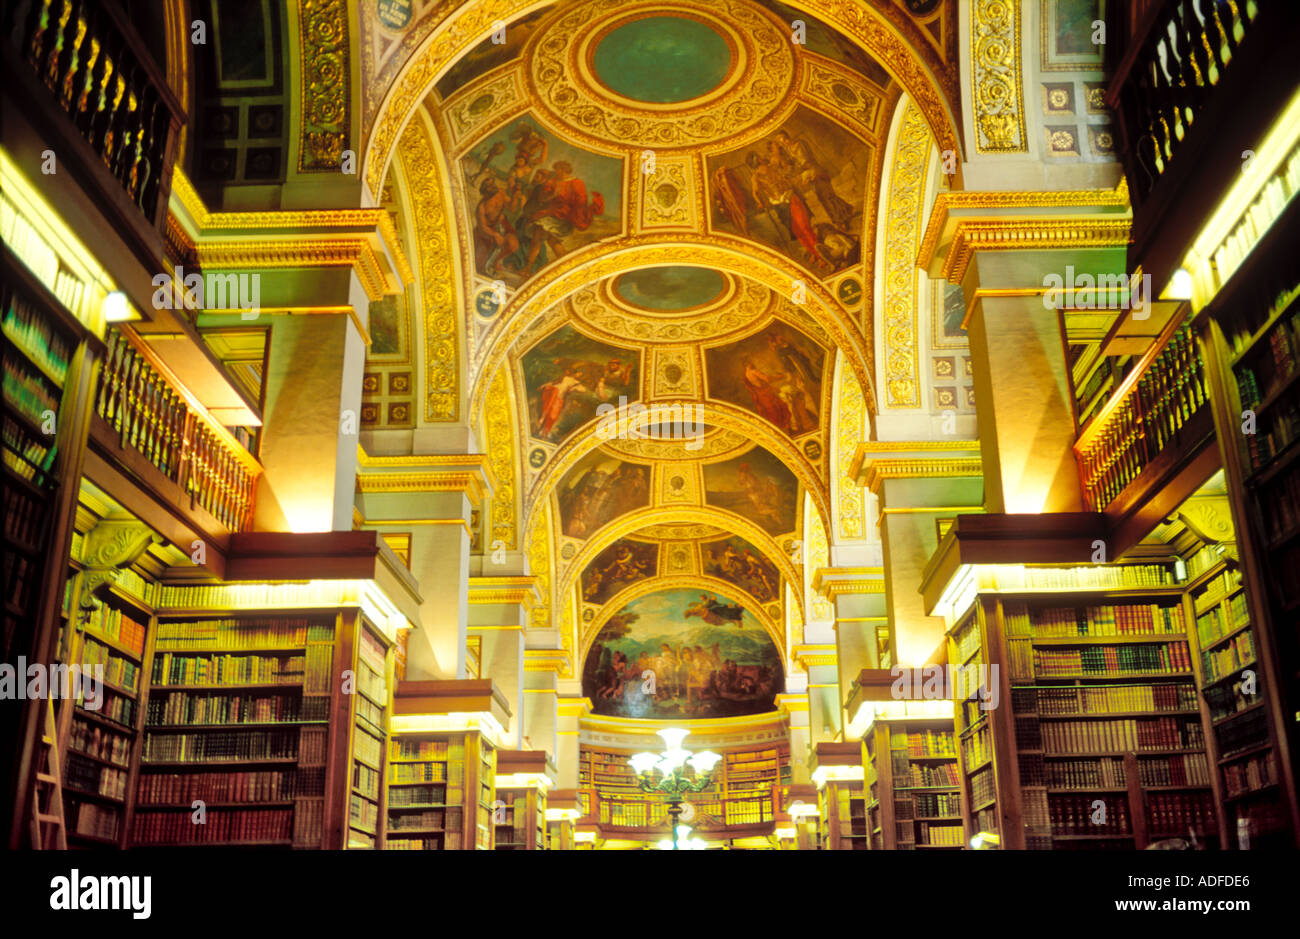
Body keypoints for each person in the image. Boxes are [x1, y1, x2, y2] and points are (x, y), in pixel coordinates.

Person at [742, 357, 791, 431]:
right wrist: (781, 376)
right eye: (750, 361)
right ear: (748, 363)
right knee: (780, 408)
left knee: (769, 413)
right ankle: (786, 429)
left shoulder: (745, 374)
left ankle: (779, 430)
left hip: (760, 395)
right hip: (766, 393)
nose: (752, 363)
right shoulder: (753, 371)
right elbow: (768, 379)